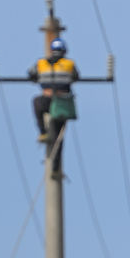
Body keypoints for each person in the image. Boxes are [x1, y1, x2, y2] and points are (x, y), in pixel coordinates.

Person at [28, 37, 80, 174]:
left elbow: (31, 74)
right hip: (62, 102)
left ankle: (43, 132)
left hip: (47, 98)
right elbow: (75, 76)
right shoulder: (69, 64)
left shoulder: (41, 63)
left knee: (36, 103)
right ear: (64, 51)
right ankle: (56, 168)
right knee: (58, 137)